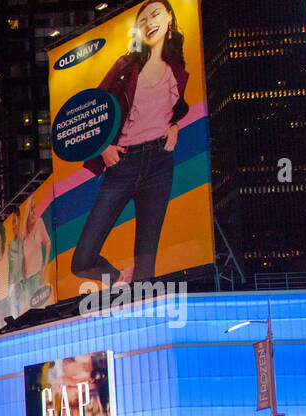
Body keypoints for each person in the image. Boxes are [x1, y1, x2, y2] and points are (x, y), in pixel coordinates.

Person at [70, 1, 189, 290]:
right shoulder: (125, 67)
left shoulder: (177, 68)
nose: (150, 22)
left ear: (170, 18)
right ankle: (121, 282)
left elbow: (176, 108)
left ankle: (141, 317)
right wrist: (103, 148)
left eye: (156, 14)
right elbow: (91, 112)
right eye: (144, 18)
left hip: (161, 164)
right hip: (123, 164)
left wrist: (174, 126)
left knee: (147, 267)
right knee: (82, 260)